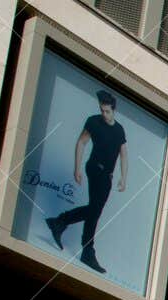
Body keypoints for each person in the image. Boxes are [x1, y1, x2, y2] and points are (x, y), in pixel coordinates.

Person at [46, 88, 129, 276]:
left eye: (107, 111)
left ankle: (60, 221)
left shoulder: (119, 130)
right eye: (102, 110)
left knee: (94, 210)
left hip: (107, 176)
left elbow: (124, 155)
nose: (104, 114)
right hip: (94, 169)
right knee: (95, 210)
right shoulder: (93, 121)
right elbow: (81, 142)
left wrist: (123, 178)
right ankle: (87, 250)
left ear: (113, 110)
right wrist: (77, 168)